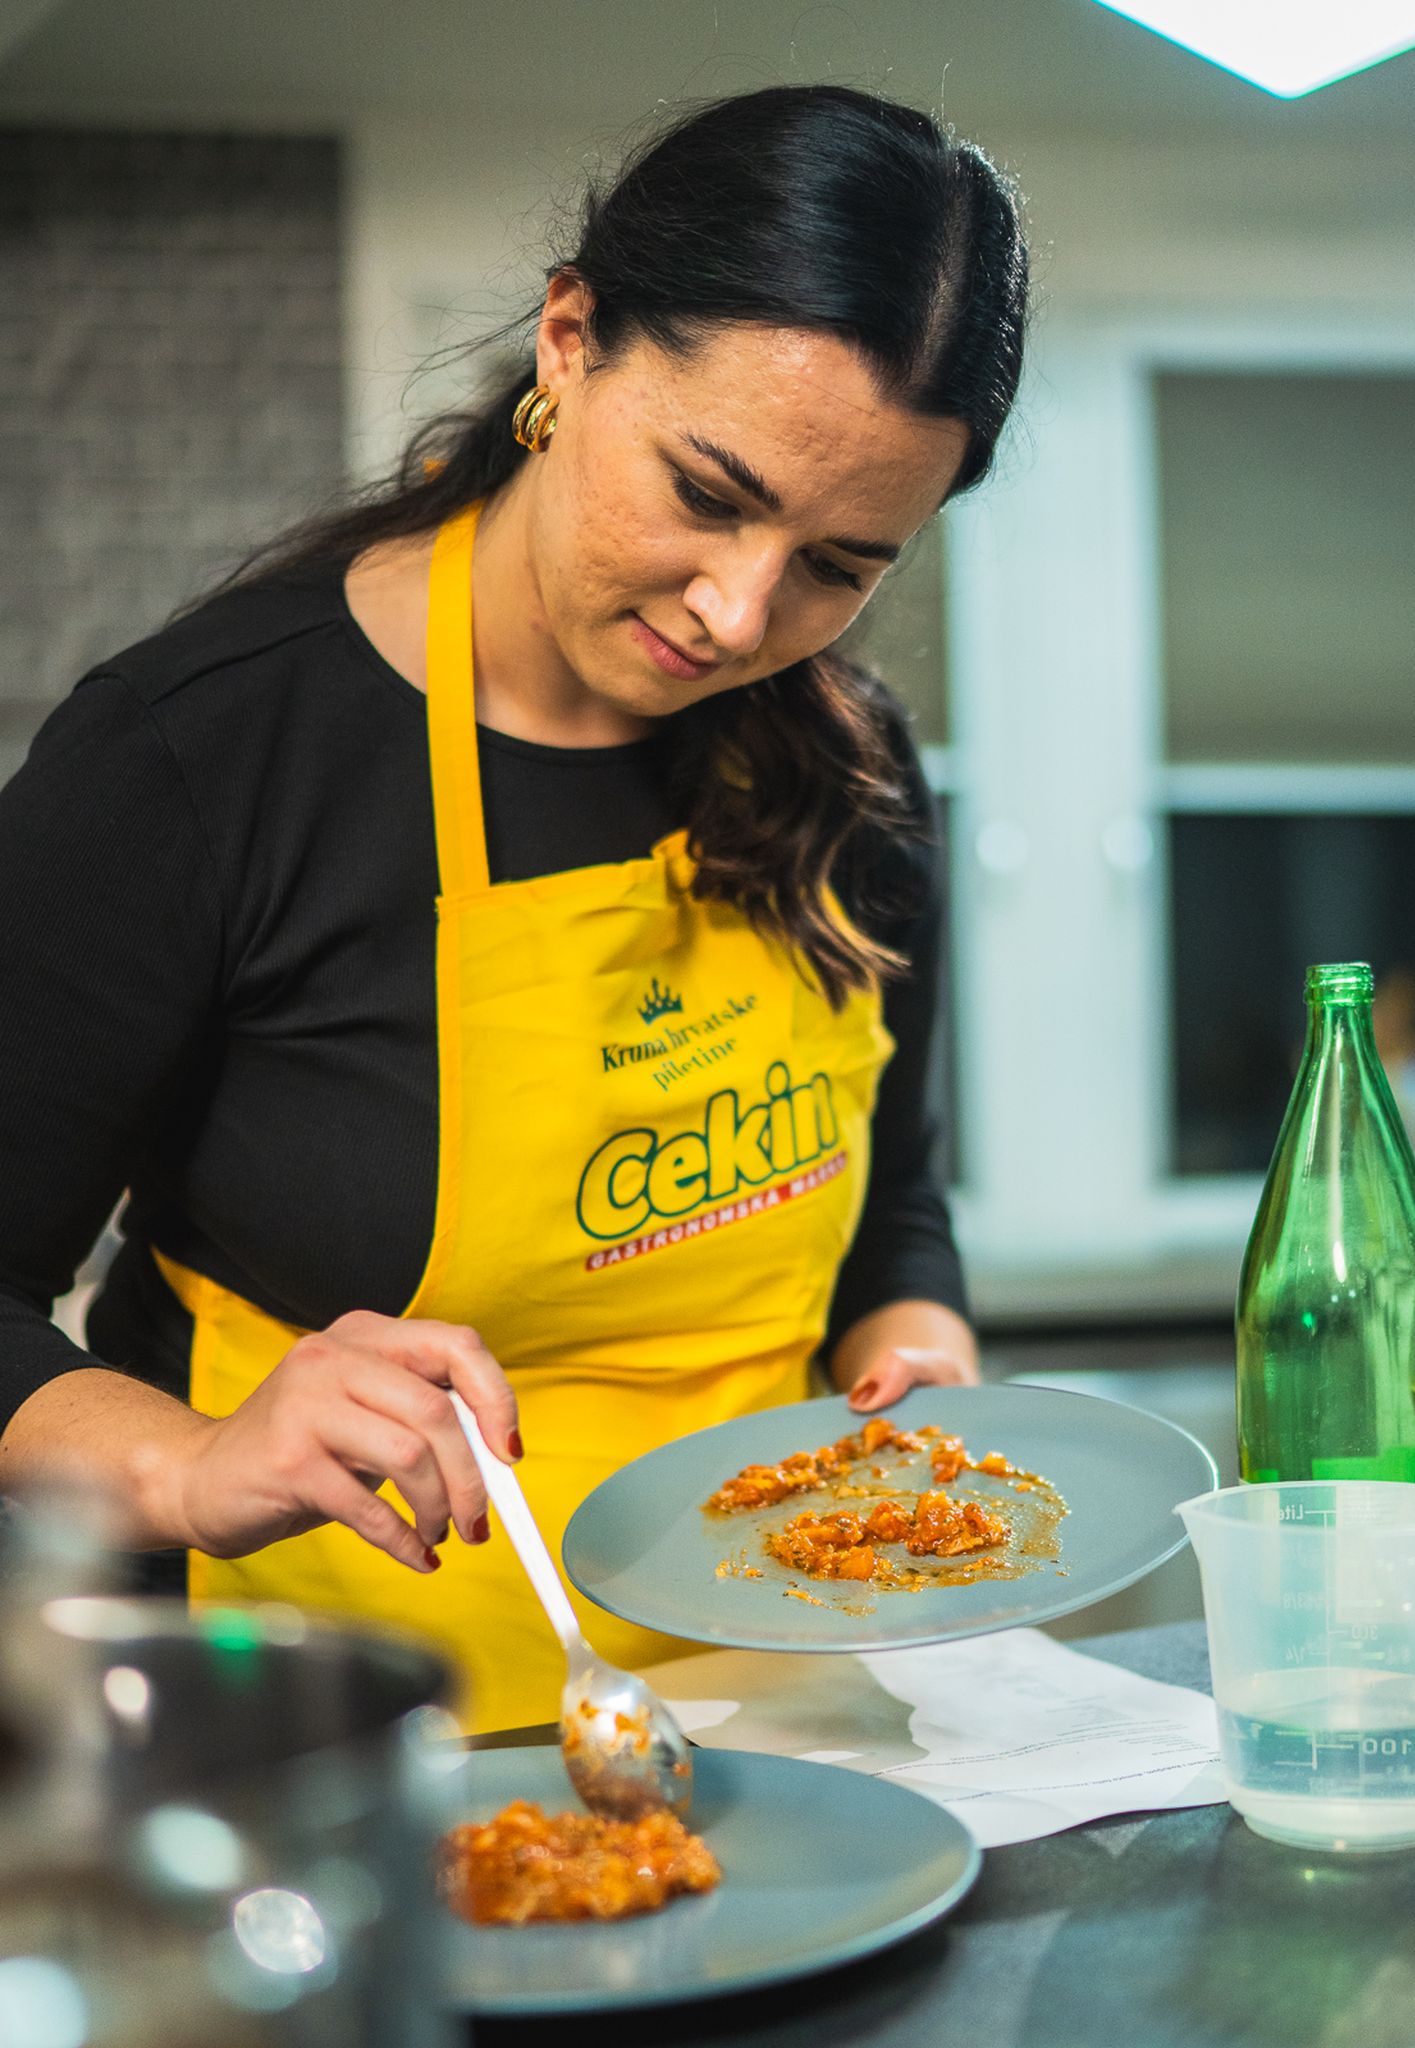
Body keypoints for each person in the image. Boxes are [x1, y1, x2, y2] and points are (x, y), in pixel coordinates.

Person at [0, 84, 1028, 1730]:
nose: (740, 611)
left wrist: (922, 1361)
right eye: (709, 491)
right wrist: (192, 1464)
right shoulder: (203, 754)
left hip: (791, 1706)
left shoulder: (857, 768)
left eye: (841, 566)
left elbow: (893, 1199)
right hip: (320, 1724)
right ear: (569, 342)